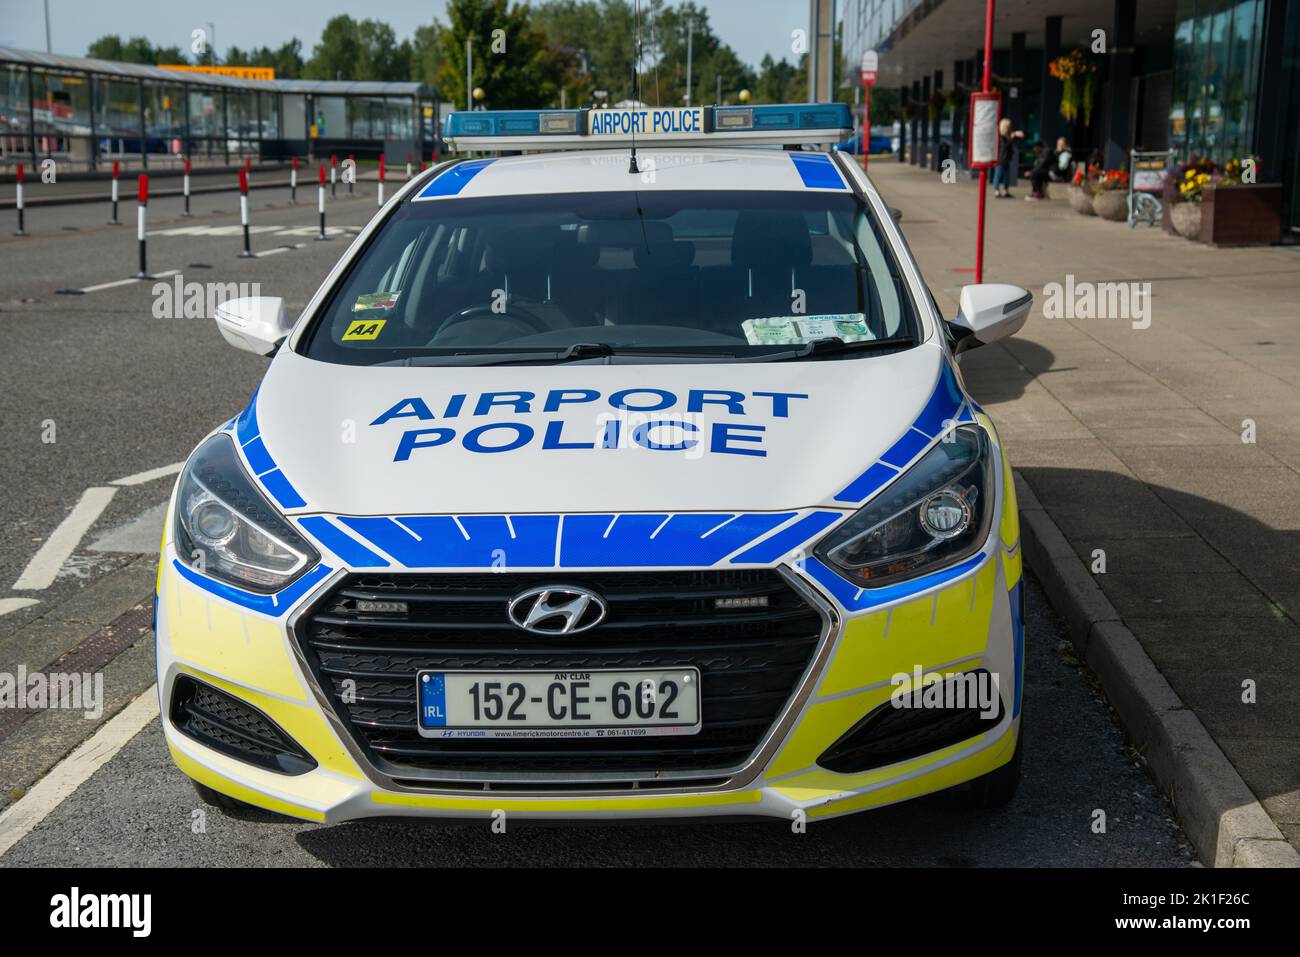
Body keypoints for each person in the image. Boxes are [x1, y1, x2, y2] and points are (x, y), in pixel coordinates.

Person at [992, 118, 1025, 198]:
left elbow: (1018, 137)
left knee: (1007, 176)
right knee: (998, 175)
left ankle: (1005, 191)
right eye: (1008, 126)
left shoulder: (1008, 136)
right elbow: (1005, 146)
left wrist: (1018, 134)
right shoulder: (1001, 136)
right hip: (1000, 159)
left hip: (1007, 158)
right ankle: (996, 191)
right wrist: (1012, 137)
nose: (1009, 128)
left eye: (1010, 126)